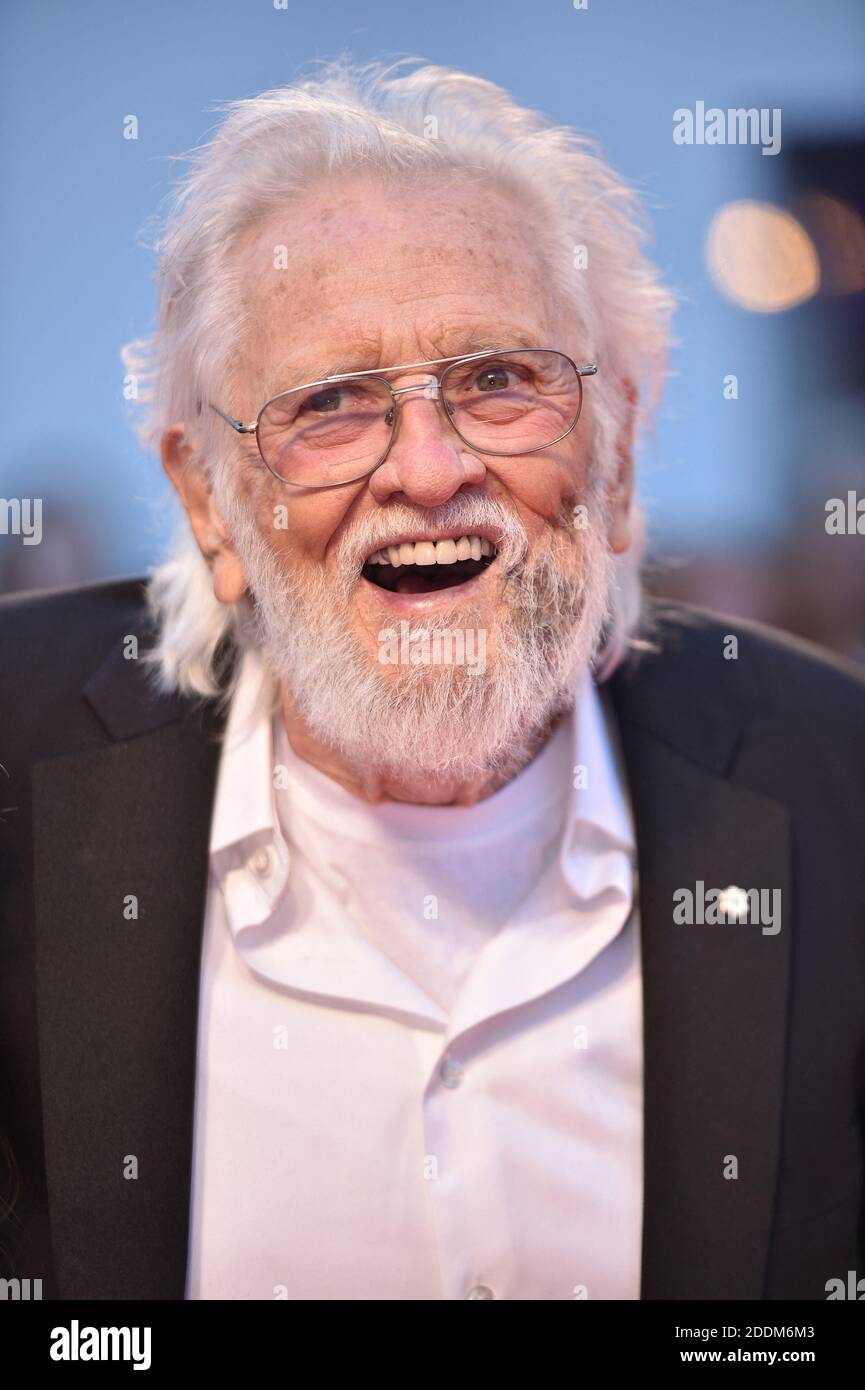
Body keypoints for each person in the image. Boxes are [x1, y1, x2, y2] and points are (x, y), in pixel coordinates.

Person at [1, 61, 863, 1302]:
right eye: (330, 403)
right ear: (211, 501)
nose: (426, 466)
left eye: (501, 380)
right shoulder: (15, 765)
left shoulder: (834, 780)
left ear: (614, 461)